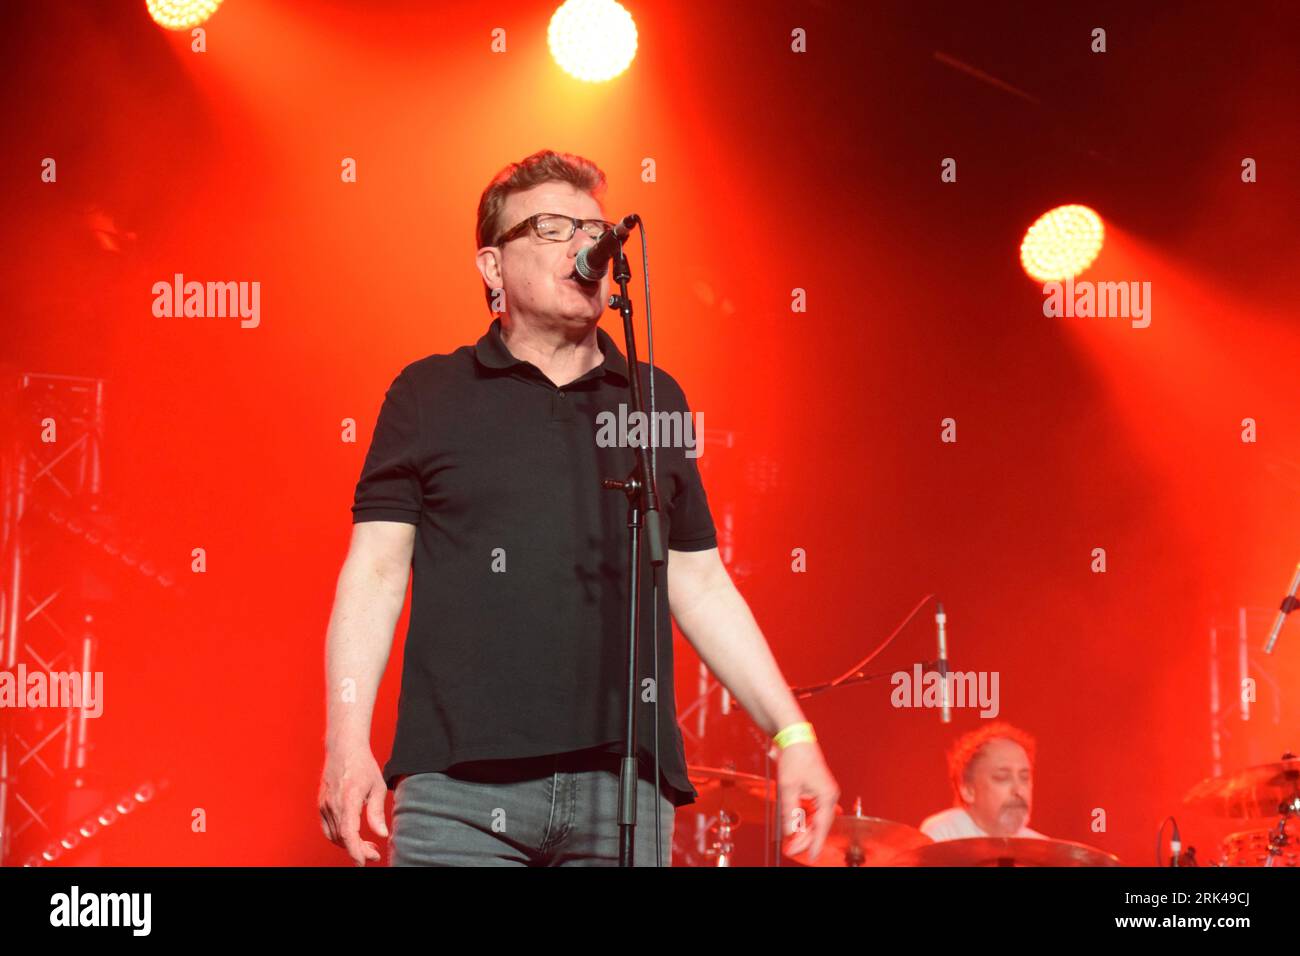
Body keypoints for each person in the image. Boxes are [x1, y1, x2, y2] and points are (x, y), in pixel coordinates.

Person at [317, 149, 838, 866]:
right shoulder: (428, 394)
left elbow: (699, 580)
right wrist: (346, 743)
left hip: (621, 787)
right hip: (458, 791)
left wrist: (793, 736)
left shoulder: (654, 399)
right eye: (553, 228)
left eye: (595, 229)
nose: (586, 245)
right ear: (493, 268)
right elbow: (374, 572)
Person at [919, 721, 1047, 841]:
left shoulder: (1043, 849)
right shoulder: (944, 832)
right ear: (968, 790)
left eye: (1024, 778)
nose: (1018, 790)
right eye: (1002, 777)